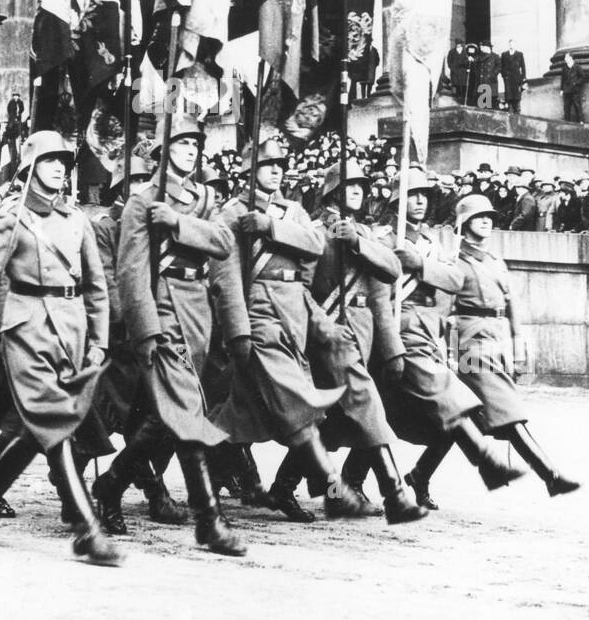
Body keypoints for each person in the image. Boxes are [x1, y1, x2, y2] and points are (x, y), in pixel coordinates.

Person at [0, 131, 120, 566]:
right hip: (26, 330)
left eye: (64, 160)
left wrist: (99, 342)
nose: (60, 167)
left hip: (72, 331)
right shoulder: (12, 219)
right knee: (55, 422)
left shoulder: (76, 219)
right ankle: (87, 530)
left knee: (33, 429)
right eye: (50, 160)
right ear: (30, 167)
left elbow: (97, 288)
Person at [115, 117, 247, 557]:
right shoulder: (141, 201)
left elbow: (224, 242)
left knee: (168, 414)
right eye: (182, 142)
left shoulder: (203, 198)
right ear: (163, 149)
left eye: (195, 143)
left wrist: (177, 223)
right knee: (187, 407)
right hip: (163, 304)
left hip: (197, 309)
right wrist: (145, 327)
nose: (190, 150)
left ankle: (110, 483)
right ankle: (208, 518)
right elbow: (132, 271)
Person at [209, 139, 356, 523]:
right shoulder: (231, 213)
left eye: (280, 163)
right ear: (248, 169)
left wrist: (271, 225)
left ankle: (228, 482)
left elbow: (314, 244)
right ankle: (332, 491)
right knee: (303, 407)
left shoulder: (291, 210)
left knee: (245, 414)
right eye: (267, 163)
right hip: (257, 313)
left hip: (292, 316)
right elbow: (226, 277)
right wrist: (237, 331)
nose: (276, 169)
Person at [371, 168, 526, 510]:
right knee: (445, 397)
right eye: (412, 195)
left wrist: (421, 265)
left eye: (425, 194)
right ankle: (488, 463)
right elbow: (379, 300)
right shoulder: (382, 241)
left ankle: (380, 481)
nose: (420, 200)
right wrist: (391, 347)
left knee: (382, 418)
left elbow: (454, 280)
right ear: (397, 201)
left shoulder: (428, 244)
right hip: (398, 335)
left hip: (425, 336)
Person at [305, 163, 427, 524]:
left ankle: (292, 488)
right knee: (367, 405)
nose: (357, 188)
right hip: (332, 334)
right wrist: (323, 325)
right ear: (331, 191)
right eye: (349, 184)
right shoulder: (314, 232)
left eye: (361, 184)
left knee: (331, 423)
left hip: (363, 332)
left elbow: (390, 271)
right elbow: (302, 289)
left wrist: (357, 243)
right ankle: (395, 496)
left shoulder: (364, 233)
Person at [450, 194, 579, 495]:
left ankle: (419, 476)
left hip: (496, 340)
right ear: (464, 223)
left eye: (489, 217)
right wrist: (449, 352)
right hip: (468, 342)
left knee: (464, 418)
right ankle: (551, 475)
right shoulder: (454, 261)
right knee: (506, 411)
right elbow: (446, 311)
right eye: (478, 216)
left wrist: (518, 350)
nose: (485, 221)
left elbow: (512, 308)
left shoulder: (496, 261)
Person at [88, 156, 187, 533]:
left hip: (152, 336)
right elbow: (106, 280)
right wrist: (131, 320)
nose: (144, 185)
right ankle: (78, 495)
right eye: (136, 180)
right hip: (117, 339)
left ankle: (146, 490)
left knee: (158, 421)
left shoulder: (154, 224)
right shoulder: (106, 227)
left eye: (148, 178)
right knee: (98, 424)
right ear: (119, 188)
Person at [499, 40, 527, 113]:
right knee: (509, 99)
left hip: (517, 79)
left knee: (517, 99)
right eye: (510, 44)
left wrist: (523, 78)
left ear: (515, 45)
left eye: (513, 44)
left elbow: (523, 67)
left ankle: (517, 116)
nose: (511, 46)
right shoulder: (504, 54)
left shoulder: (520, 54)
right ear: (508, 45)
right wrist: (504, 76)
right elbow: (501, 66)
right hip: (508, 80)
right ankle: (510, 114)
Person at [560, 51, 585, 123]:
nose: (565, 59)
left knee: (577, 106)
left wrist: (576, 83)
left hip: (575, 90)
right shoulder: (564, 68)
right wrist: (561, 89)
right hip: (566, 90)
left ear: (571, 58)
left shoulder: (577, 67)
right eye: (565, 57)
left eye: (566, 57)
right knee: (566, 107)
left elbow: (582, 77)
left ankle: (580, 121)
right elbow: (563, 79)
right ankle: (567, 122)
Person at [447, 39, 468, 104]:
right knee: (456, 85)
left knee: (464, 85)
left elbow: (467, 60)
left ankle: (464, 99)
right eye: (457, 44)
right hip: (455, 71)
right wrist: (452, 68)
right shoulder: (452, 52)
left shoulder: (465, 52)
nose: (458, 45)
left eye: (459, 43)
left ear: (461, 44)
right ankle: (457, 99)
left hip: (463, 71)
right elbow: (449, 61)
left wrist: (466, 65)